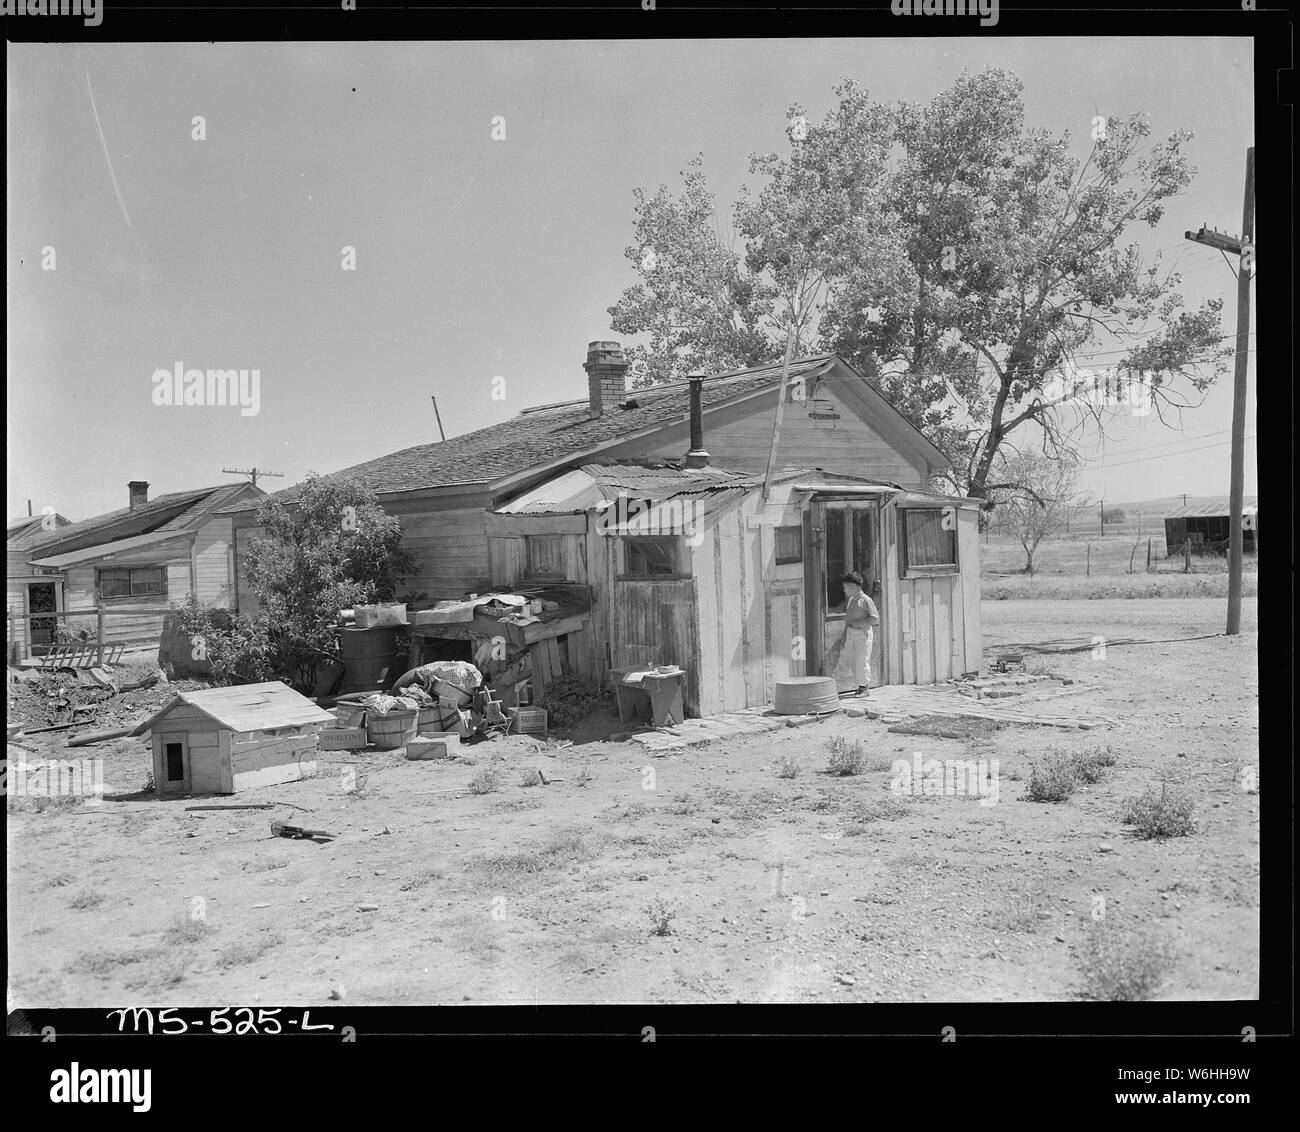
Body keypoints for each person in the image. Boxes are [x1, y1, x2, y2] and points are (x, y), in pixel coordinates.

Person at [829, 571, 879, 696]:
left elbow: (875, 619)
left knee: (862, 660)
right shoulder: (851, 600)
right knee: (853, 660)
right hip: (852, 633)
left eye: (846, 587)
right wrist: (845, 634)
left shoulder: (866, 601)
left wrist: (860, 622)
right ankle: (859, 686)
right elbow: (848, 619)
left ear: (854, 587)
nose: (844, 590)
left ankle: (865, 687)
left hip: (863, 633)